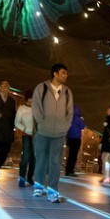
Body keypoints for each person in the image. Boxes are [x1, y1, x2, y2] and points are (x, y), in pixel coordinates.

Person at [31, 64, 74, 203]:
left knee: (56, 162)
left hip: (60, 134)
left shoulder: (67, 92)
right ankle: (38, 186)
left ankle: (53, 191)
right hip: (43, 131)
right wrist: (41, 122)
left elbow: (70, 112)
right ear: (55, 74)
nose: (65, 75)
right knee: (41, 160)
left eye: (66, 73)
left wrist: (65, 126)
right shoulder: (41, 88)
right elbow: (36, 106)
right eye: (63, 73)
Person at [16, 96, 35, 187]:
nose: (31, 102)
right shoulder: (22, 109)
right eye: (29, 100)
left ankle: (30, 177)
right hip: (26, 135)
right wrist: (24, 129)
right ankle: (22, 179)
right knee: (26, 157)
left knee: (34, 158)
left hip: (36, 136)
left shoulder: (37, 108)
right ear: (26, 100)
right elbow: (17, 122)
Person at [65, 105, 85, 176]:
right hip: (76, 139)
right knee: (74, 155)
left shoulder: (69, 118)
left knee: (70, 155)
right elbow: (82, 126)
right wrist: (81, 119)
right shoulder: (78, 118)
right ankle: (71, 171)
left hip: (70, 138)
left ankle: (67, 170)